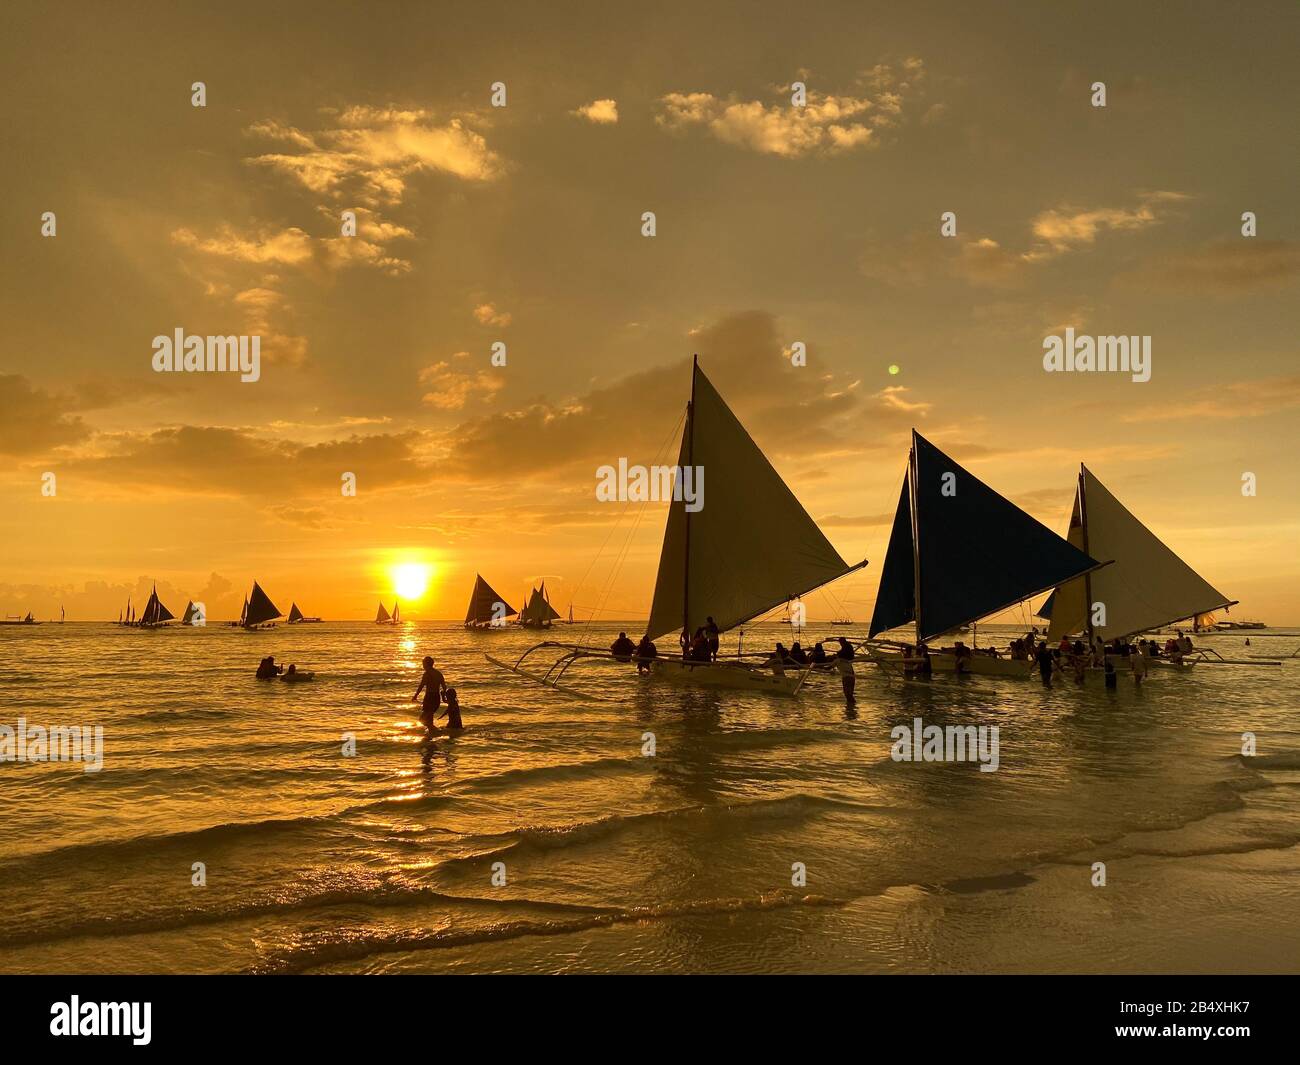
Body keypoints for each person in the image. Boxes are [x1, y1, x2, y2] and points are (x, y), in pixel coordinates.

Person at [412, 656, 446, 729]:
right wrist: (444, 696)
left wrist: (416, 695)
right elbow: (444, 687)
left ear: (426, 664)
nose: (423, 666)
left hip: (429, 697)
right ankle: (431, 735)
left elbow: (421, 685)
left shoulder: (426, 674)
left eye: (423, 664)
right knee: (429, 718)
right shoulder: (438, 674)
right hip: (436, 697)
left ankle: (433, 732)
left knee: (422, 719)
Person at [835, 640, 856, 705]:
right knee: (850, 694)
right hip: (852, 677)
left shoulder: (838, 660)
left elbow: (829, 666)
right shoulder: (848, 662)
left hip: (846, 677)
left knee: (847, 694)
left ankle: (851, 706)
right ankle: (851, 708)